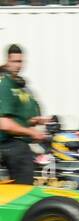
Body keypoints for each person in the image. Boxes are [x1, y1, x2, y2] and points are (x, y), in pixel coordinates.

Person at [0, 45, 51, 185]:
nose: (18, 65)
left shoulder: (19, 86)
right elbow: (4, 123)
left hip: (21, 140)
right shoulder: (4, 84)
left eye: (21, 61)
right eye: (15, 61)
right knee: (22, 156)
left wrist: (35, 120)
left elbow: (20, 119)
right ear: (8, 61)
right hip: (8, 143)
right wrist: (30, 131)